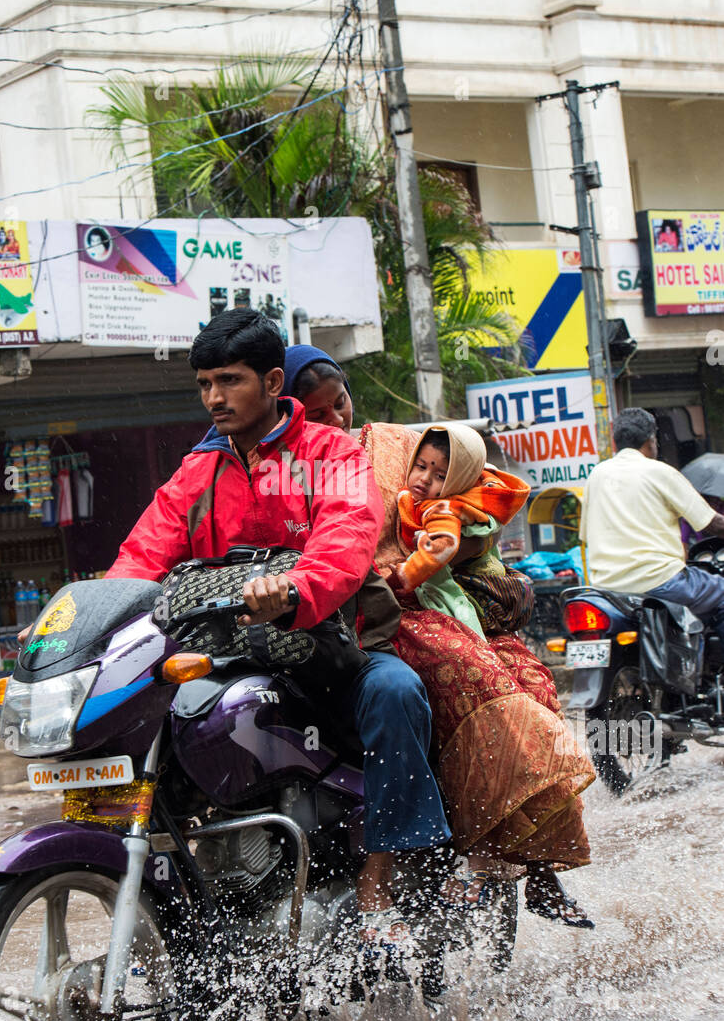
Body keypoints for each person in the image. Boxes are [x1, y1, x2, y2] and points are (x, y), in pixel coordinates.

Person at [105, 309, 451, 953]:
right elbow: (139, 557)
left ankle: (380, 885)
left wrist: (295, 589)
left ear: (270, 382)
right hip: (223, 657)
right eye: (204, 382)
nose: (214, 397)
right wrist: (94, 616)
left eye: (229, 381)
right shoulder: (196, 472)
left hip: (324, 646)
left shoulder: (331, 454)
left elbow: (347, 538)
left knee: (396, 692)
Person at [284, 346, 596, 929]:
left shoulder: (398, 446)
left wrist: (481, 556)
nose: (336, 421)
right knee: (470, 675)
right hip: (372, 619)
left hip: (443, 606)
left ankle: (538, 863)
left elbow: (477, 495)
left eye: (341, 404)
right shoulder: (285, 474)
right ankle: (431, 861)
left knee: (531, 678)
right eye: (316, 413)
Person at [580, 406, 724, 639]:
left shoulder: (597, 475)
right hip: (661, 582)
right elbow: (712, 523)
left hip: (607, 589)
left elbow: (585, 536)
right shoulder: (660, 472)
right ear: (651, 440)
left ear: (615, 444)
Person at [393, 424, 529, 641]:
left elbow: (444, 544)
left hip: (476, 595)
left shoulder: (442, 507)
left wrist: (405, 576)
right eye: (420, 466)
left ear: (460, 480)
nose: (425, 478)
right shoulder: (468, 496)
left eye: (440, 476)